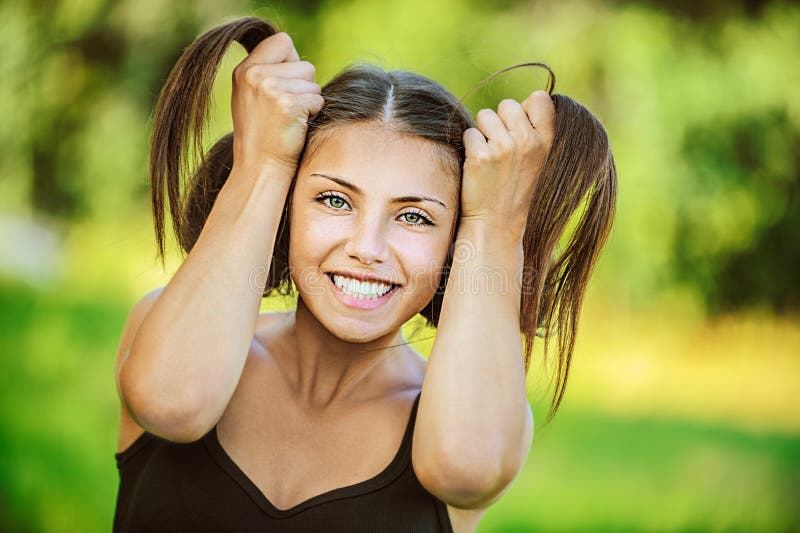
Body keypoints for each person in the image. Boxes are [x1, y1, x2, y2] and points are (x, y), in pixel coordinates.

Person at [112, 16, 616, 533]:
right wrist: (261, 164)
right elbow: (171, 405)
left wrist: (496, 225)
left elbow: (465, 470)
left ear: (454, 244)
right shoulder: (165, 329)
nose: (366, 249)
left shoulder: (474, 413)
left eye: (414, 216)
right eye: (335, 200)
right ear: (286, 205)